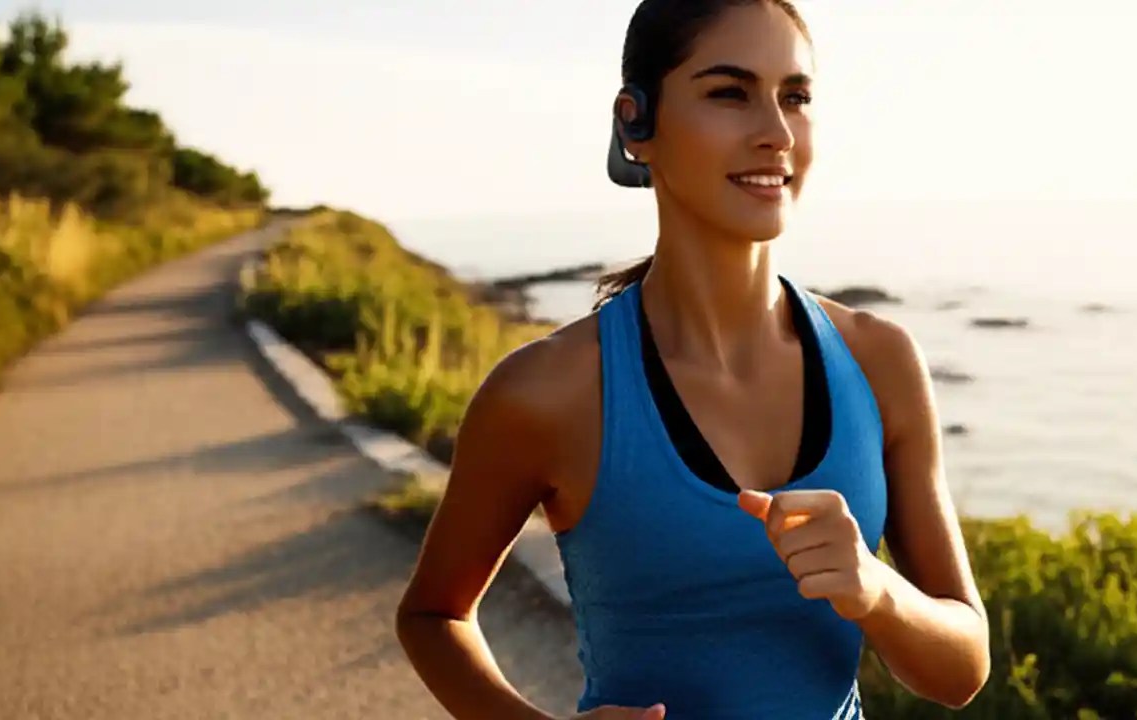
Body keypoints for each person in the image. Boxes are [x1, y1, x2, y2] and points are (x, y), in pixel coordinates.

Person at [396, 1, 991, 718]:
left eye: (795, 98)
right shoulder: (547, 393)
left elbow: (962, 671)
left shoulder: (881, 362)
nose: (775, 133)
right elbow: (433, 617)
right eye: (729, 93)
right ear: (635, 123)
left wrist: (876, 588)